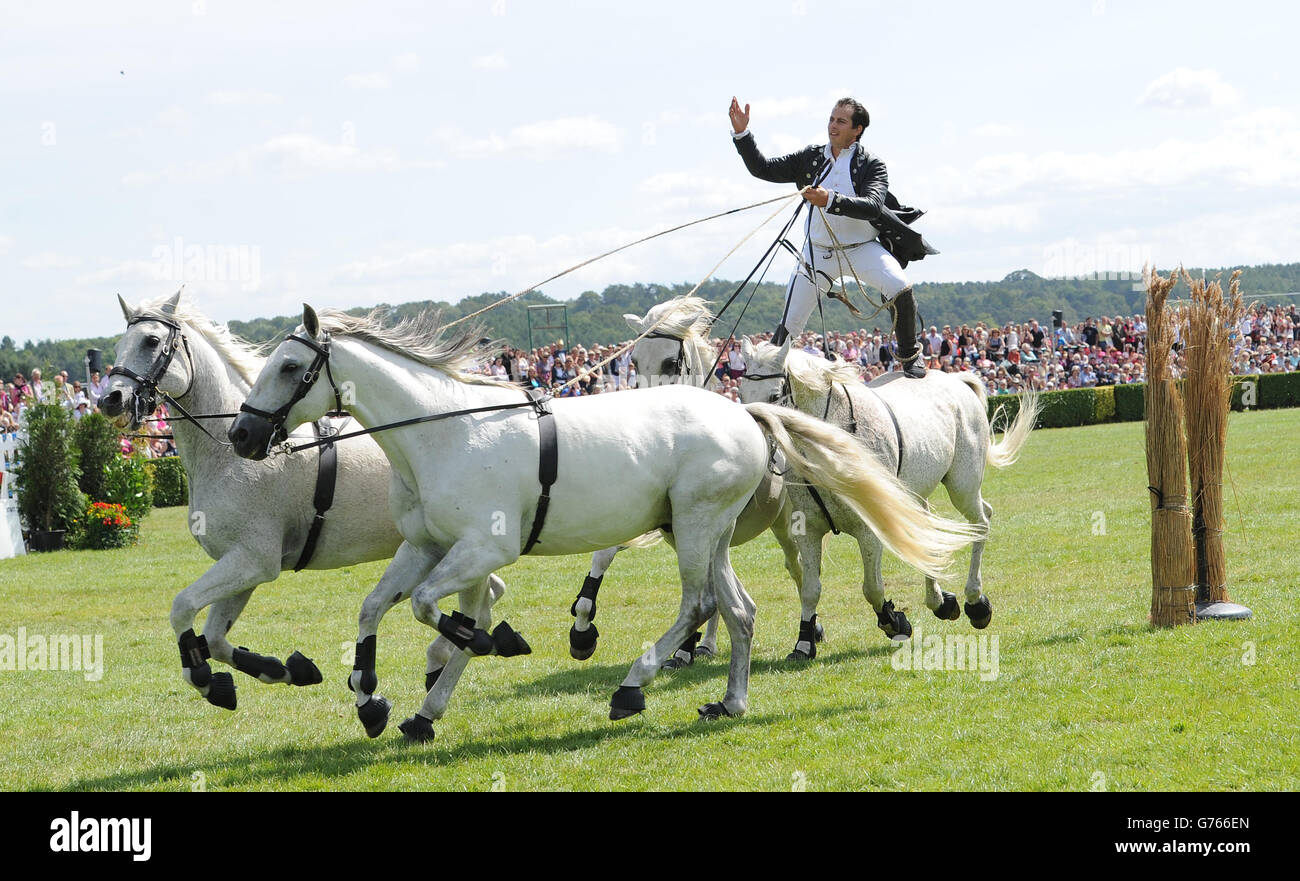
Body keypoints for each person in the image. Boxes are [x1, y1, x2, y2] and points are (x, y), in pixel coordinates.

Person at [728, 95, 937, 377]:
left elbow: (873, 205)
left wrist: (830, 200)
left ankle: (910, 355)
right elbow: (762, 168)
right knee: (787, 327)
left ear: (857, 129)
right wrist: (742, 134)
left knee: (900, 286)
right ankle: (769, 383)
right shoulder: (811, 157)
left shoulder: (872, 164)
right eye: (831, 119)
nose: (833, 126)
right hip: (817, 253)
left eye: (841, 121)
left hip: (861, 248)